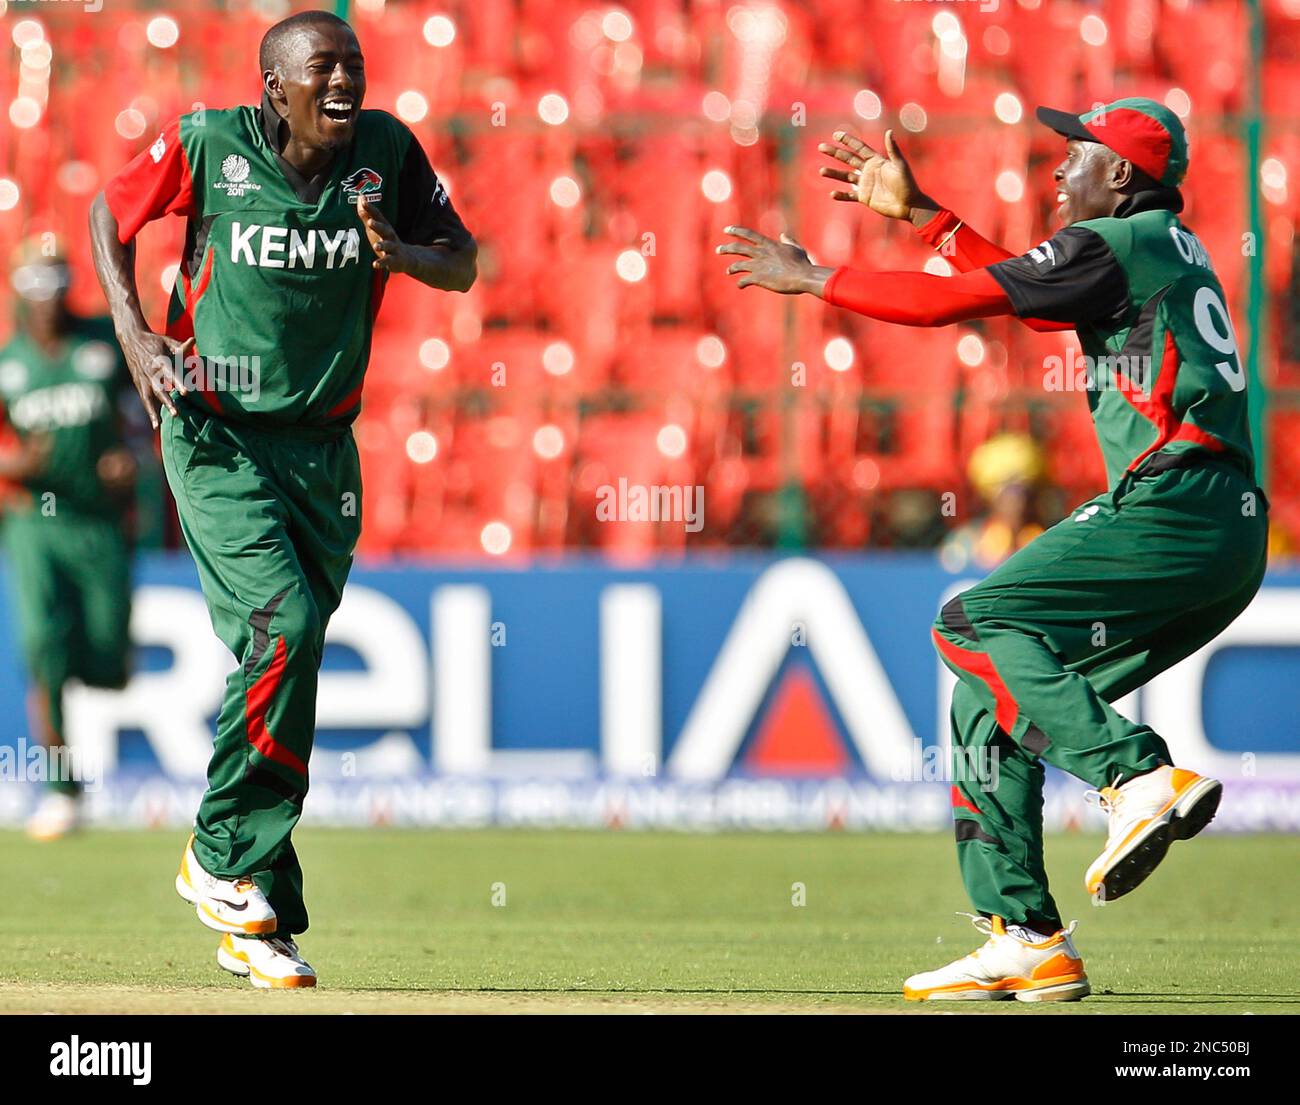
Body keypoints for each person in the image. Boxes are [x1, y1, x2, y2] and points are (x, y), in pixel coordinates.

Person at [718, 98, 1266, 1002]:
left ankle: (1134, 777)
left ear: (1120, 176)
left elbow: (950, 305)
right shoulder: (1156, 245)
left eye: (1076, 155)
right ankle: (1027, 937)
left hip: (1178, 501)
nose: (1059, 170)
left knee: (973, 618)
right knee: (987, 701)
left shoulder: (1116, 245)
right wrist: (928, 216)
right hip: (1221, 532)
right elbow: (1036, 304)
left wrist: (818, 278)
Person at [88, 9, 476, 989]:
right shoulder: (208, 144)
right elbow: (110, 213)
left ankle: (259, 914)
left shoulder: (385, 152)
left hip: (322, 449)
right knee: (283, 626)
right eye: (323, 71)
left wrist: (405, 256)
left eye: (353, 65)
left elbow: (461, 260)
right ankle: (216, 854)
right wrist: (136, 337)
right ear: (275, 88)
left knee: (288, 660)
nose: (344, 83)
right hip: (215, 429)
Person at [0, 238, 136, 840]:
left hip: (99, 523)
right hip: (35, 524)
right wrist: (12, 465)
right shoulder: (9, 362)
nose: (46, 300)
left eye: (55, 285)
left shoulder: (102, 344)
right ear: (19, 291)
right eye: (35, 286)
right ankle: (61, 788)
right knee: (42, 647)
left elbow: (149, 411)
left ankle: (82, 663)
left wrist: (130, 456)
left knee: (109, 660)